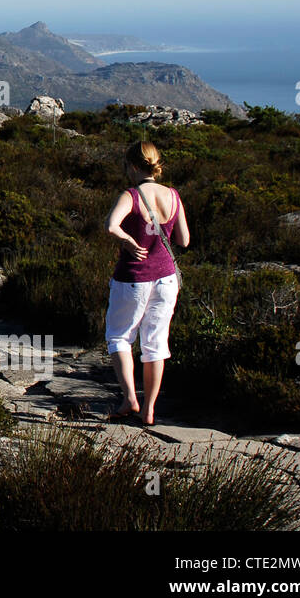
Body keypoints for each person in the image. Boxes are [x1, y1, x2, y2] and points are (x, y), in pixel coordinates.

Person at [104, 140, 190, 424]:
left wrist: (129, 240)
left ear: (131, 166)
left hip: (133, 278)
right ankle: (150, 409)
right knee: (155, 343)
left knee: (119, 336)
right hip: (166, 279)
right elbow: (184, 240)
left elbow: (110, 226)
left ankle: (130, 397)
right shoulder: (173, 195)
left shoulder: (131, 195)